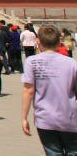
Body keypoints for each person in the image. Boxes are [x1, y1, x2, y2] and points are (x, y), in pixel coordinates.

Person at [21, 25, 77, 155]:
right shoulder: (71, 63)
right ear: (59, 42)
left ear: (38, 41)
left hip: (45, 118)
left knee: (53, 152)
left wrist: (24, 117)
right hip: (70, 117)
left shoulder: (31, 62)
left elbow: (28, 91)